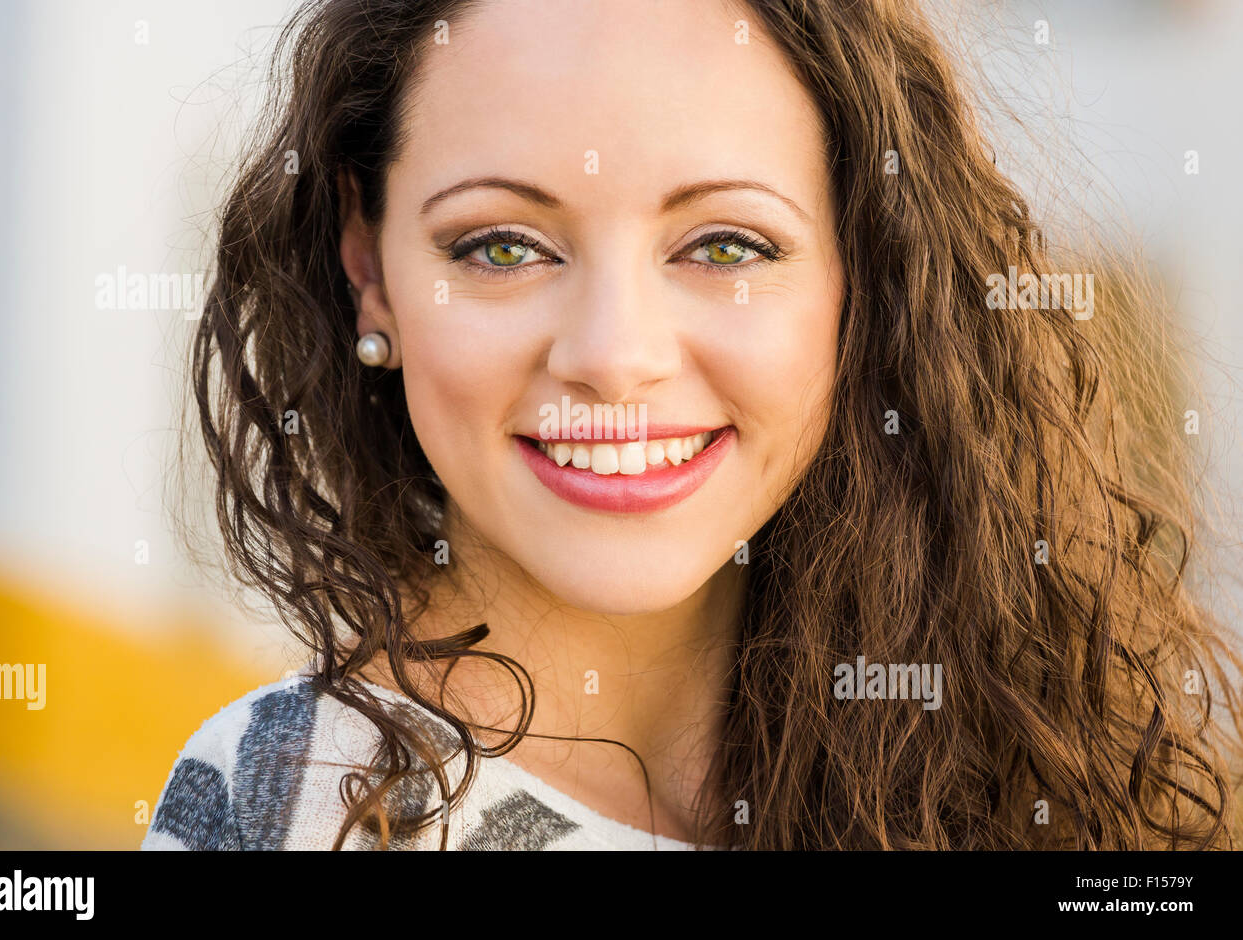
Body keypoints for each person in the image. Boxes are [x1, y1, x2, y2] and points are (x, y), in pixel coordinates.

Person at [142, 0, 1243, 851]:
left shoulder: (1024, 750)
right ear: (367, 269)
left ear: (869, 278)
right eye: (500, 246)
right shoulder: (299, 803)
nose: (615, 354)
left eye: (725, 247)